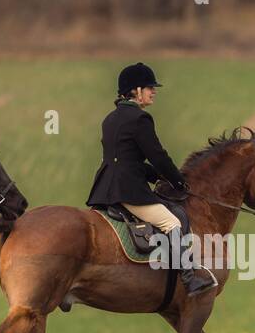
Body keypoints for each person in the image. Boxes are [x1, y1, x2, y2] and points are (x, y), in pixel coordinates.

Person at [85, 63, 216, 296]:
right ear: (136, 90)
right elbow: (157, 155)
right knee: (171, 223)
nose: (153, 91)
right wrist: (177, 180)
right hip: (128, 190)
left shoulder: (110, 119)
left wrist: (155, 176)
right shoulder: (140, 119)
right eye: (149, 88)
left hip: (105, 188)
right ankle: (189, 279)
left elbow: (126, 160)